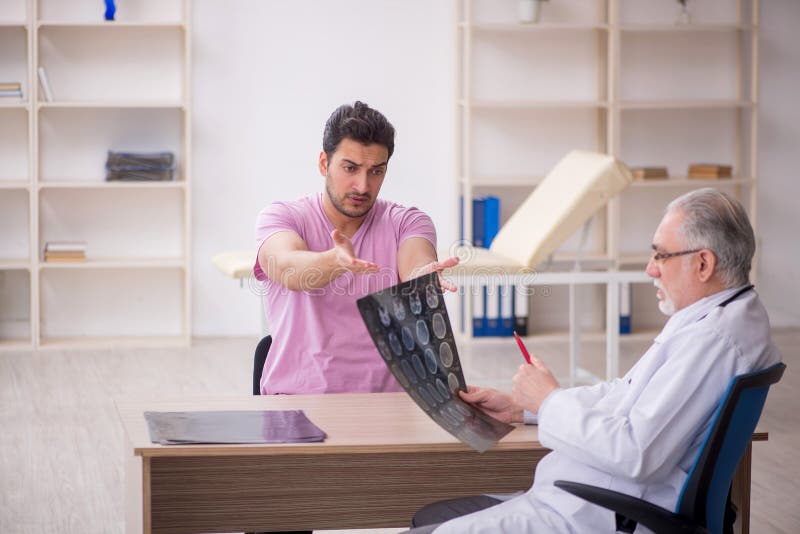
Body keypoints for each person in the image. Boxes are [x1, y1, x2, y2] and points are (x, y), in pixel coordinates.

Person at [404, 188, 781, 533]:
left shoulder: (710, 340)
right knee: (431, 517)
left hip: (598, 512)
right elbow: (626, 395)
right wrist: (528, 408)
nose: (650, 268)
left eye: (661, 255)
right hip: (589, 496)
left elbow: (636, 454)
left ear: (703, 264)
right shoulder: (725, 316)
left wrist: (550, 401)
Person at [254, 101, 458, 395]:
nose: (363, 186)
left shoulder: (408, 222)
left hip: (389, 406)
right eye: (350, 168)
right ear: (324, 163)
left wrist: (421, 280)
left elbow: (416, 263)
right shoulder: (282, 217)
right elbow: (287, 268)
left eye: (376, 171)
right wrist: (335, 260)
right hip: (297, 401)